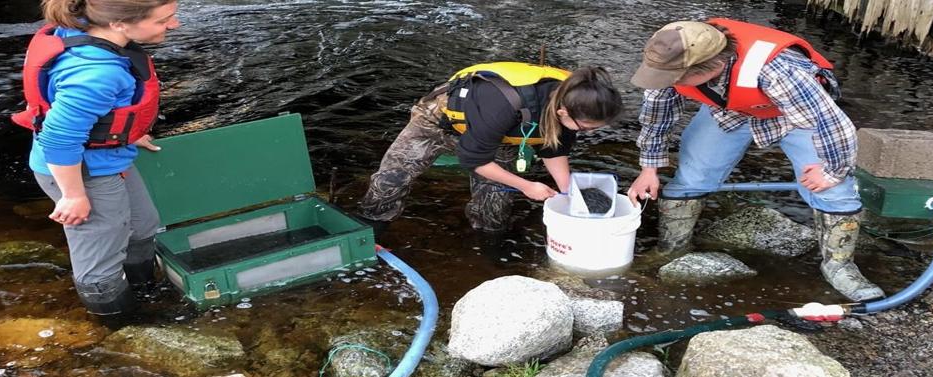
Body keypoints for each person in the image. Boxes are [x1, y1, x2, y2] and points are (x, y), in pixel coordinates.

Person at [628, 18, 883, 301]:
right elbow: (656, 114)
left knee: (833, 190)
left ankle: (840, 267)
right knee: (693, 174)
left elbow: (833, 125)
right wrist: (648, 168)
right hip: (729, 108)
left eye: (677, 79)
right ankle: (672, 247)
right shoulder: (669, 59)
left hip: (794, 115)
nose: (667, 83)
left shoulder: (778, 70)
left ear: (713, 66)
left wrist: (833, 171)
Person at [14, 0, 180, 316]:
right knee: (100, 264)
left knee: (143, 227)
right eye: (164, 20)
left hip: (107, 156)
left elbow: (95, 116)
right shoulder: (96, 72)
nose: (174, 25)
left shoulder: (92, 29)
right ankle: (123, 327)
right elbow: (59, 138)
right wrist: (73, 195)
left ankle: (146, 293)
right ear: (118, 23)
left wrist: (128, 132)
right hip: (80, 172)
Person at [359, 63, 624, 233]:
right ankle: (372, 227)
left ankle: (488, 249)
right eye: (587, 128)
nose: (590, 132)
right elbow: (473, 158)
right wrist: (526, 186)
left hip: (504, 136)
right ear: (562, 111)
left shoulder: (576, 107)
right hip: (440, 122)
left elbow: (554, 150)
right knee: (392, 179)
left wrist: (568, 192)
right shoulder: (503, 104)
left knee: (495, 207)